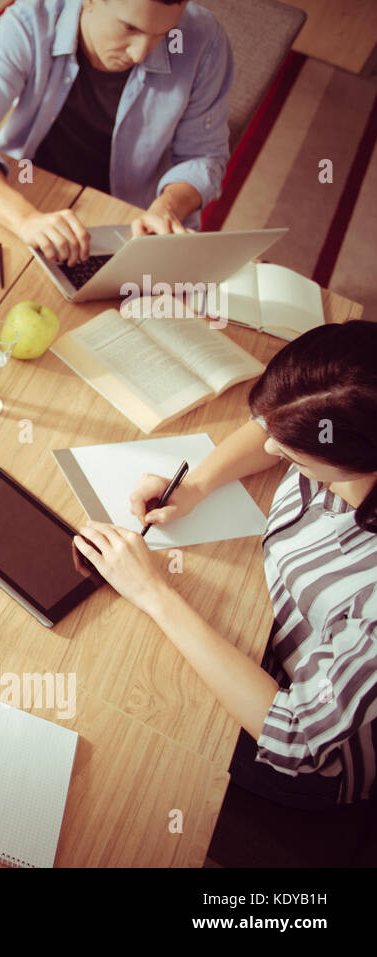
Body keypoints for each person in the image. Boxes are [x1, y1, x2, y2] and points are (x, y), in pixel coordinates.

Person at [72, 320, 377, 807]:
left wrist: (154, 594)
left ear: (354, 456)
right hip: (262, 620)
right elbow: (276, 427)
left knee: (119, 716)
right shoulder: (348, 418)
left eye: (293, 454)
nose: (271, 448)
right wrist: (197, 484)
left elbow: (295, 737)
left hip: (298, 738)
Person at [0, 0, 233, 266]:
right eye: (129, 28)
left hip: (132, 221)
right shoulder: (30, 20)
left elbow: (203, 157)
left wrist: (166, 208)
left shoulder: (205, 41)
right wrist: (26, 219)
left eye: (162, 34)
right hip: (26, 195)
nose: (140, 53)